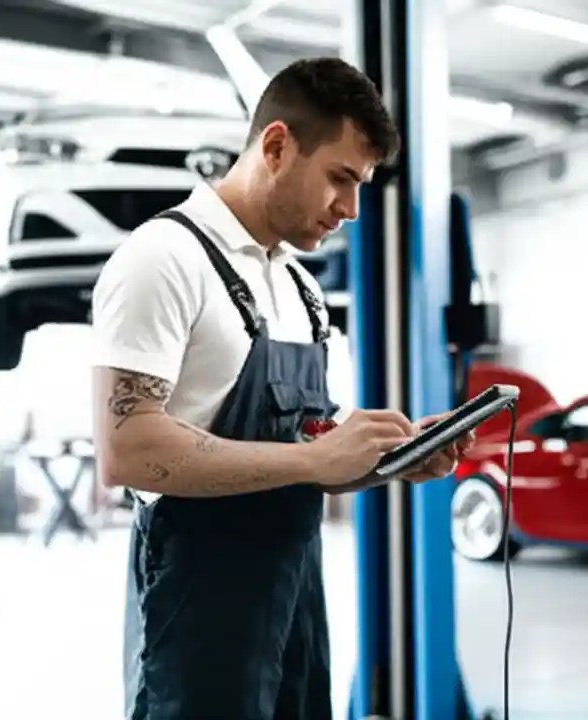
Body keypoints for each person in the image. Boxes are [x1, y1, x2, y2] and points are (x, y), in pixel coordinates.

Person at [90, 57, 474, 720]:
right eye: (340, 179)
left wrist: (385, 461)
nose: (351, 210)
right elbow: (126, 446)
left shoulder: (300, 288)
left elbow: (307, 455)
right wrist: (310, 459)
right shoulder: (164, 258)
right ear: (276, 146)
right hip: (195, 608)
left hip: (294, 601)